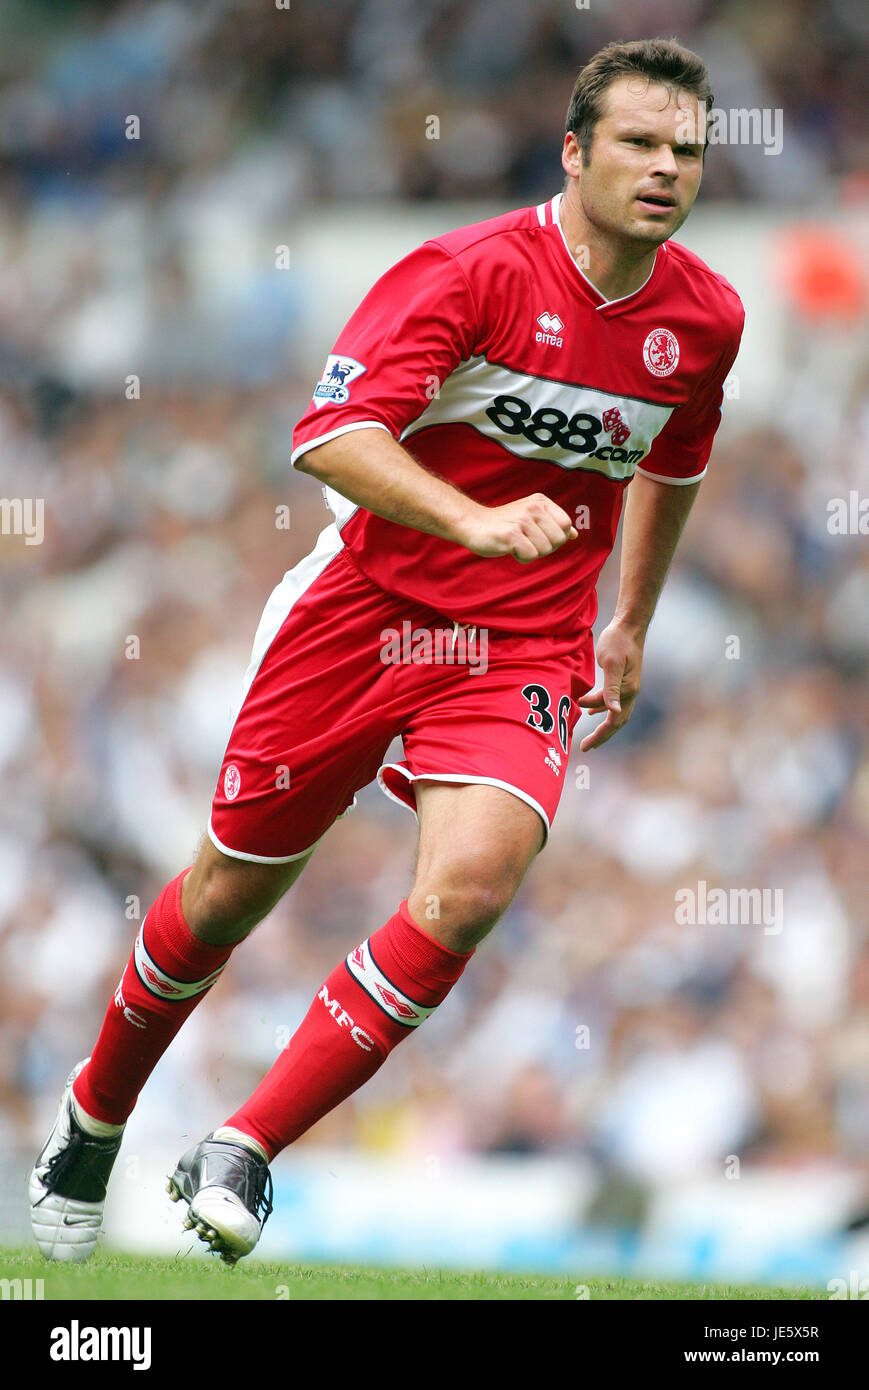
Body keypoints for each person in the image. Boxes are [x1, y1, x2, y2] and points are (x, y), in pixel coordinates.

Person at [30, 36, 744, 1264]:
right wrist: (469, 517)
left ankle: (244, 1145)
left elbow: (675, 457)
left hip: (523, 638)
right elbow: (330, 434)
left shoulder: (706, 317)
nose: (664, 168)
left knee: (469, 890)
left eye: (685, 148)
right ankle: (93, 1121)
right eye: (636, 142)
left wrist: (628, 618)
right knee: (224, 898)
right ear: (572, 153)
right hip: (366, 612)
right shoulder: (463, 272)